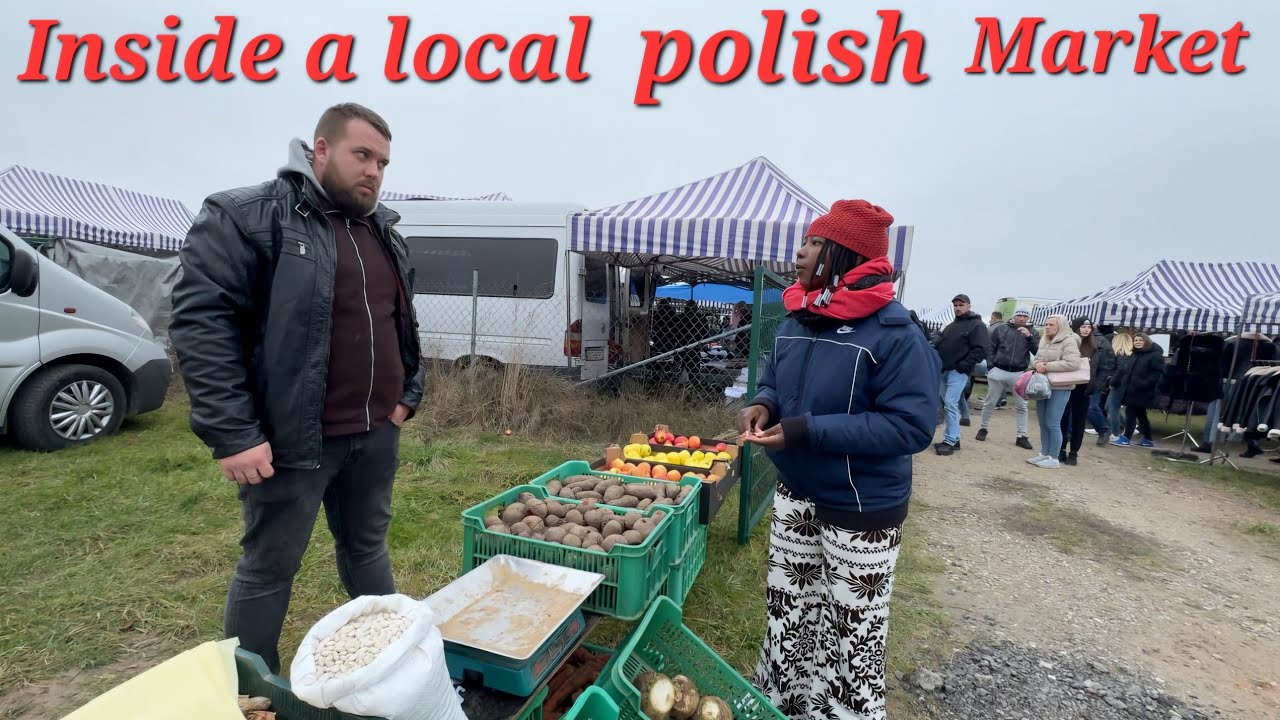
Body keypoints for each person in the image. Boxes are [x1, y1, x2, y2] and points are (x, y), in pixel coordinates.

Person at [169, 103, 425, 673]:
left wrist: (409, 392)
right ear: (320, 149)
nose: (374, 172)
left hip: (376, 431)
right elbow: (201, 324)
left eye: (383, 161)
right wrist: (234, 433)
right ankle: (251, 690)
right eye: (363, 155)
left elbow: (400, 322)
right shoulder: (249, 215)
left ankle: (386, 666)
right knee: (269, 565)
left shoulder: (382, 231)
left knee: (366, 548)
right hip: (291, 441)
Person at [736, 199, 940, 720]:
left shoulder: (895, 335)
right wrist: (763, 405)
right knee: (788, 615)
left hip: (861, 506)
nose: (799, 253)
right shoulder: (797, 318)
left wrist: (806, 431)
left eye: (812, 244)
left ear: (842, 255)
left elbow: (911, 426)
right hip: (796, 494)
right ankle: (778, 706)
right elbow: (775, 381)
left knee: (851, 635)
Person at [933, 294, 988, 455]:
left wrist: (963, 365)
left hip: (958, 372)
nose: (957, 308)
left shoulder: (977, 325)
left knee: (950, 403)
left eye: (961, 305)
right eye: (955, 305)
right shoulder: (951, 326)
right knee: (947, 403)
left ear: (968, 306)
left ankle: (950, 440)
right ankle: (953, 438)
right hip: (945, 370)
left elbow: (981, 349)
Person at [976, 308, 1038, 448]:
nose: (1021, 318)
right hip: (998, 369)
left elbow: (1037, 351)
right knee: (990, 402)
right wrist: (991, 366)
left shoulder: (1032, 332)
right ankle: (983, 428)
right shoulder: (1002, 329)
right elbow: (990, 348)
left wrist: (1029, 337)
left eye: (1024, 316)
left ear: (1028, 318)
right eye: (1019, 315)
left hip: (1019, 372)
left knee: (1022, 405)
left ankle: (1021, 435)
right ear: (1014, 316)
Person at [1026, 315, 1081, 468]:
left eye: (1051, 324)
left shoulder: (1069, 341)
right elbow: (1036, 358)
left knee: (1053, 422)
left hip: (1060, 387)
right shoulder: (1044, 340)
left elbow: (1073, 363)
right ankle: (1044, 453)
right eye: (1046, 324)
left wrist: (1048, 366)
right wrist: (1037, 364)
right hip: (1043, 386)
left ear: (1060, 326)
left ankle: (1054, 457)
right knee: (1043, 422)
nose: (1047, 327)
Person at [1059, 318, 1114, 464]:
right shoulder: (1069, 342)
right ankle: (1061, 448)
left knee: (1079, 420)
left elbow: (1106, 366)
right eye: (1083, 326)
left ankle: (1074, 452)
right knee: (1063, 418)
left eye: (1089, 326)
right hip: (1067, 385)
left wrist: (1096, 385)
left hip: (1086, 388)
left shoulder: (1098, 344)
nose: (1086, 329)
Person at [1109, 332, 1165, 448]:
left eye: (1140, 340)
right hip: (1131, 389)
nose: (1138, 342)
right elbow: (1125, 370)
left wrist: (1143, 383)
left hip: (1143, 391)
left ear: (1146, 341)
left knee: (1131, 413)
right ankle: (1148, 439)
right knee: (1141, 415)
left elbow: (1158, 374)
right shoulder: (1135, 354)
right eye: (1136, 340)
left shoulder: (1155, 355)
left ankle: (1126, 438)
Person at [1107, 332, 1134, 433]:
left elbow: (1120, 371)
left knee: (1113, 408)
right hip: (1124, 383)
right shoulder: (1130, 356)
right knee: (1109, 406)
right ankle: (1128, 425)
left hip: (1118, 384)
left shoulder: (1120, 355)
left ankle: (1115, 432)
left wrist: (1111, 382)